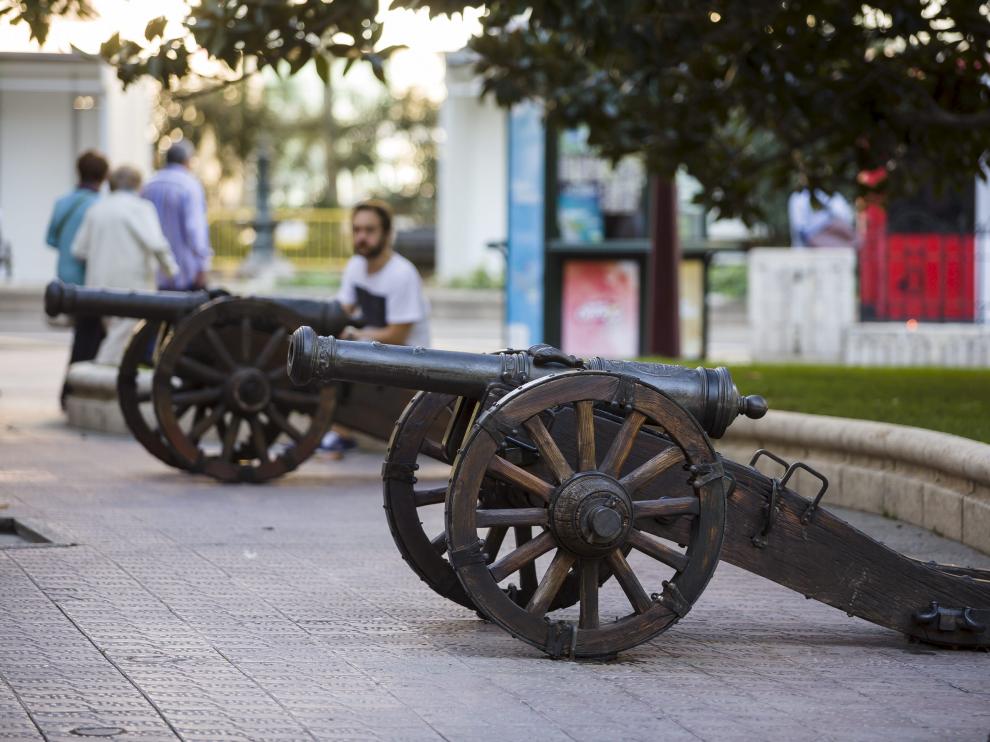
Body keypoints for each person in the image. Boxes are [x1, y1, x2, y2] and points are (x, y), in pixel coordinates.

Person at [320, 200, 430, 455]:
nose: (362, 237)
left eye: (370, 230)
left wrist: (354, 335)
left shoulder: (402, 274)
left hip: (408, 359)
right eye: (357, 230)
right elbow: (342, 310)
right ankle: (332, 430)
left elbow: (398, 334)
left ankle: (340, 432)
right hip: (373, 351)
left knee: (343, 354)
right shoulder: (355, 266)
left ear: (387, 234)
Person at [71, 166, 178, 366]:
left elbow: (79, 250)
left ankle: (106, 374)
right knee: (119, 340)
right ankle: (101, 376)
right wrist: (172, 270)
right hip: (132, 284)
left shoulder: (97, 209)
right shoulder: (141, 208)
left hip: (98, 284)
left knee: (116, 335)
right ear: (138, 185)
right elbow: (156, 243)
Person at [45, 150, 109, 407]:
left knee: (85, 336)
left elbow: (50, 239)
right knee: (89, 338)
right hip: (90, 281)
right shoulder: (100, 206)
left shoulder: (62, 202)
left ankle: (73, 392)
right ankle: (71, 393)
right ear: (103, 176)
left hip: (65, 280)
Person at [141, 140, 212, 290]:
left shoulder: (149, 185)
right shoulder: (189, 185)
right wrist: (202, 266)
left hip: (155, 274)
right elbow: (195, 230)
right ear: (187, 160)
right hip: (184, 274)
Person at [788, 189, 856, 248]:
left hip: (835, 236)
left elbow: (847, 222)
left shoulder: (835, 197)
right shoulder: (799, 197)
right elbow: (802, 231)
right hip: (811, 239)